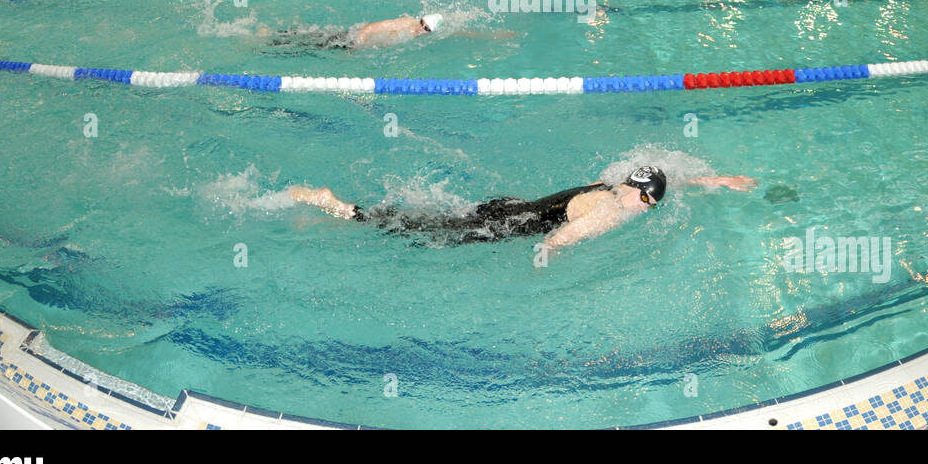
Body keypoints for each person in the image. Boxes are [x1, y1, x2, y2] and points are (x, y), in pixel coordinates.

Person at [288, 165, 756, 250]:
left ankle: (345, 214)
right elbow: (559, 238)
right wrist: (546, 261)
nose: (648, 209)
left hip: (512, 205)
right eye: (651, 204)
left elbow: (663, 174)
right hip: (511, 224)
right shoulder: (613, 213)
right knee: (427, 235)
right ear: (643, 199)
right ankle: (344, 210)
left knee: (446, 217)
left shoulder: (611, 185)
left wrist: (712, 180)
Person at [267, 13, 444, 50]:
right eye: (422, 23)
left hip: (352, 42)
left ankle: (280, 35)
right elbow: (370, 28)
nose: (421, 28)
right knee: (309, 45)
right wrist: (355, 46)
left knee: (311, 42)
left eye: (426, 28)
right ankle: (271, 36)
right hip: (350, 40)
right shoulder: (405, 23)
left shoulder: (415, 34)